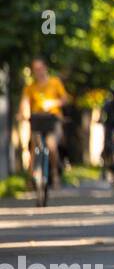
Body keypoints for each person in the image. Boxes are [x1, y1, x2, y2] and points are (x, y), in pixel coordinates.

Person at [20, 58, 69, 188]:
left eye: (40, 68)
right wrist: (23, 114)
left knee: (51, 144)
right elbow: (24, 102)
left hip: (53, 119)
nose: (38, 72)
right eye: (35, 69)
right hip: (37, 120)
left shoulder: (55, 82)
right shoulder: (30, 87)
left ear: (45, 68)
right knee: (34, 146)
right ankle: (32, 178)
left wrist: (53, 103)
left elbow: (65, 99)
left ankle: (54, 173)